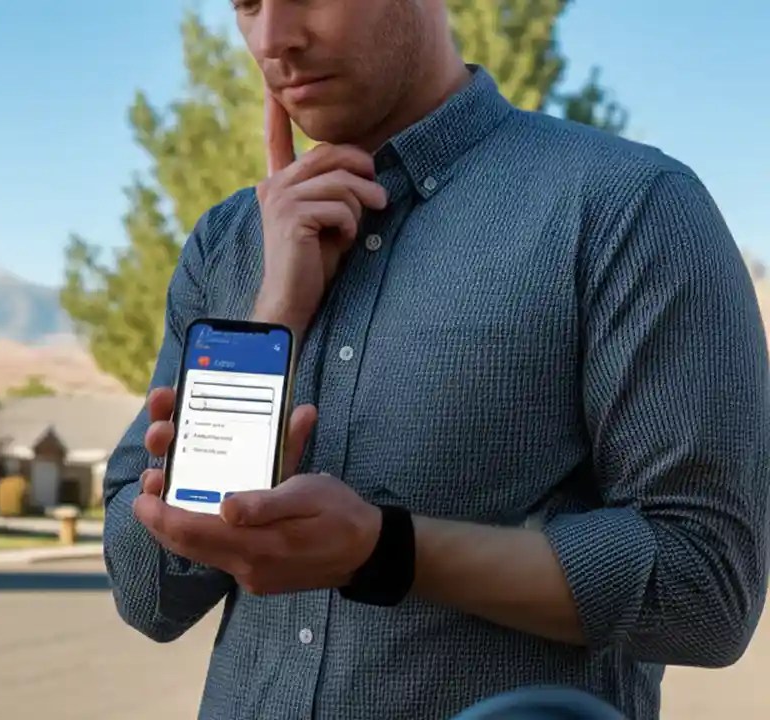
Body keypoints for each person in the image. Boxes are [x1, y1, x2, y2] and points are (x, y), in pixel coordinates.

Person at [100, 1, 770, 719]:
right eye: (247, 3)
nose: (273, 41)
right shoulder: (229, 244)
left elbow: (707, 588)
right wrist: (274, 320)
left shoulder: (628, 208)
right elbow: (148, 594)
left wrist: (384, 551)